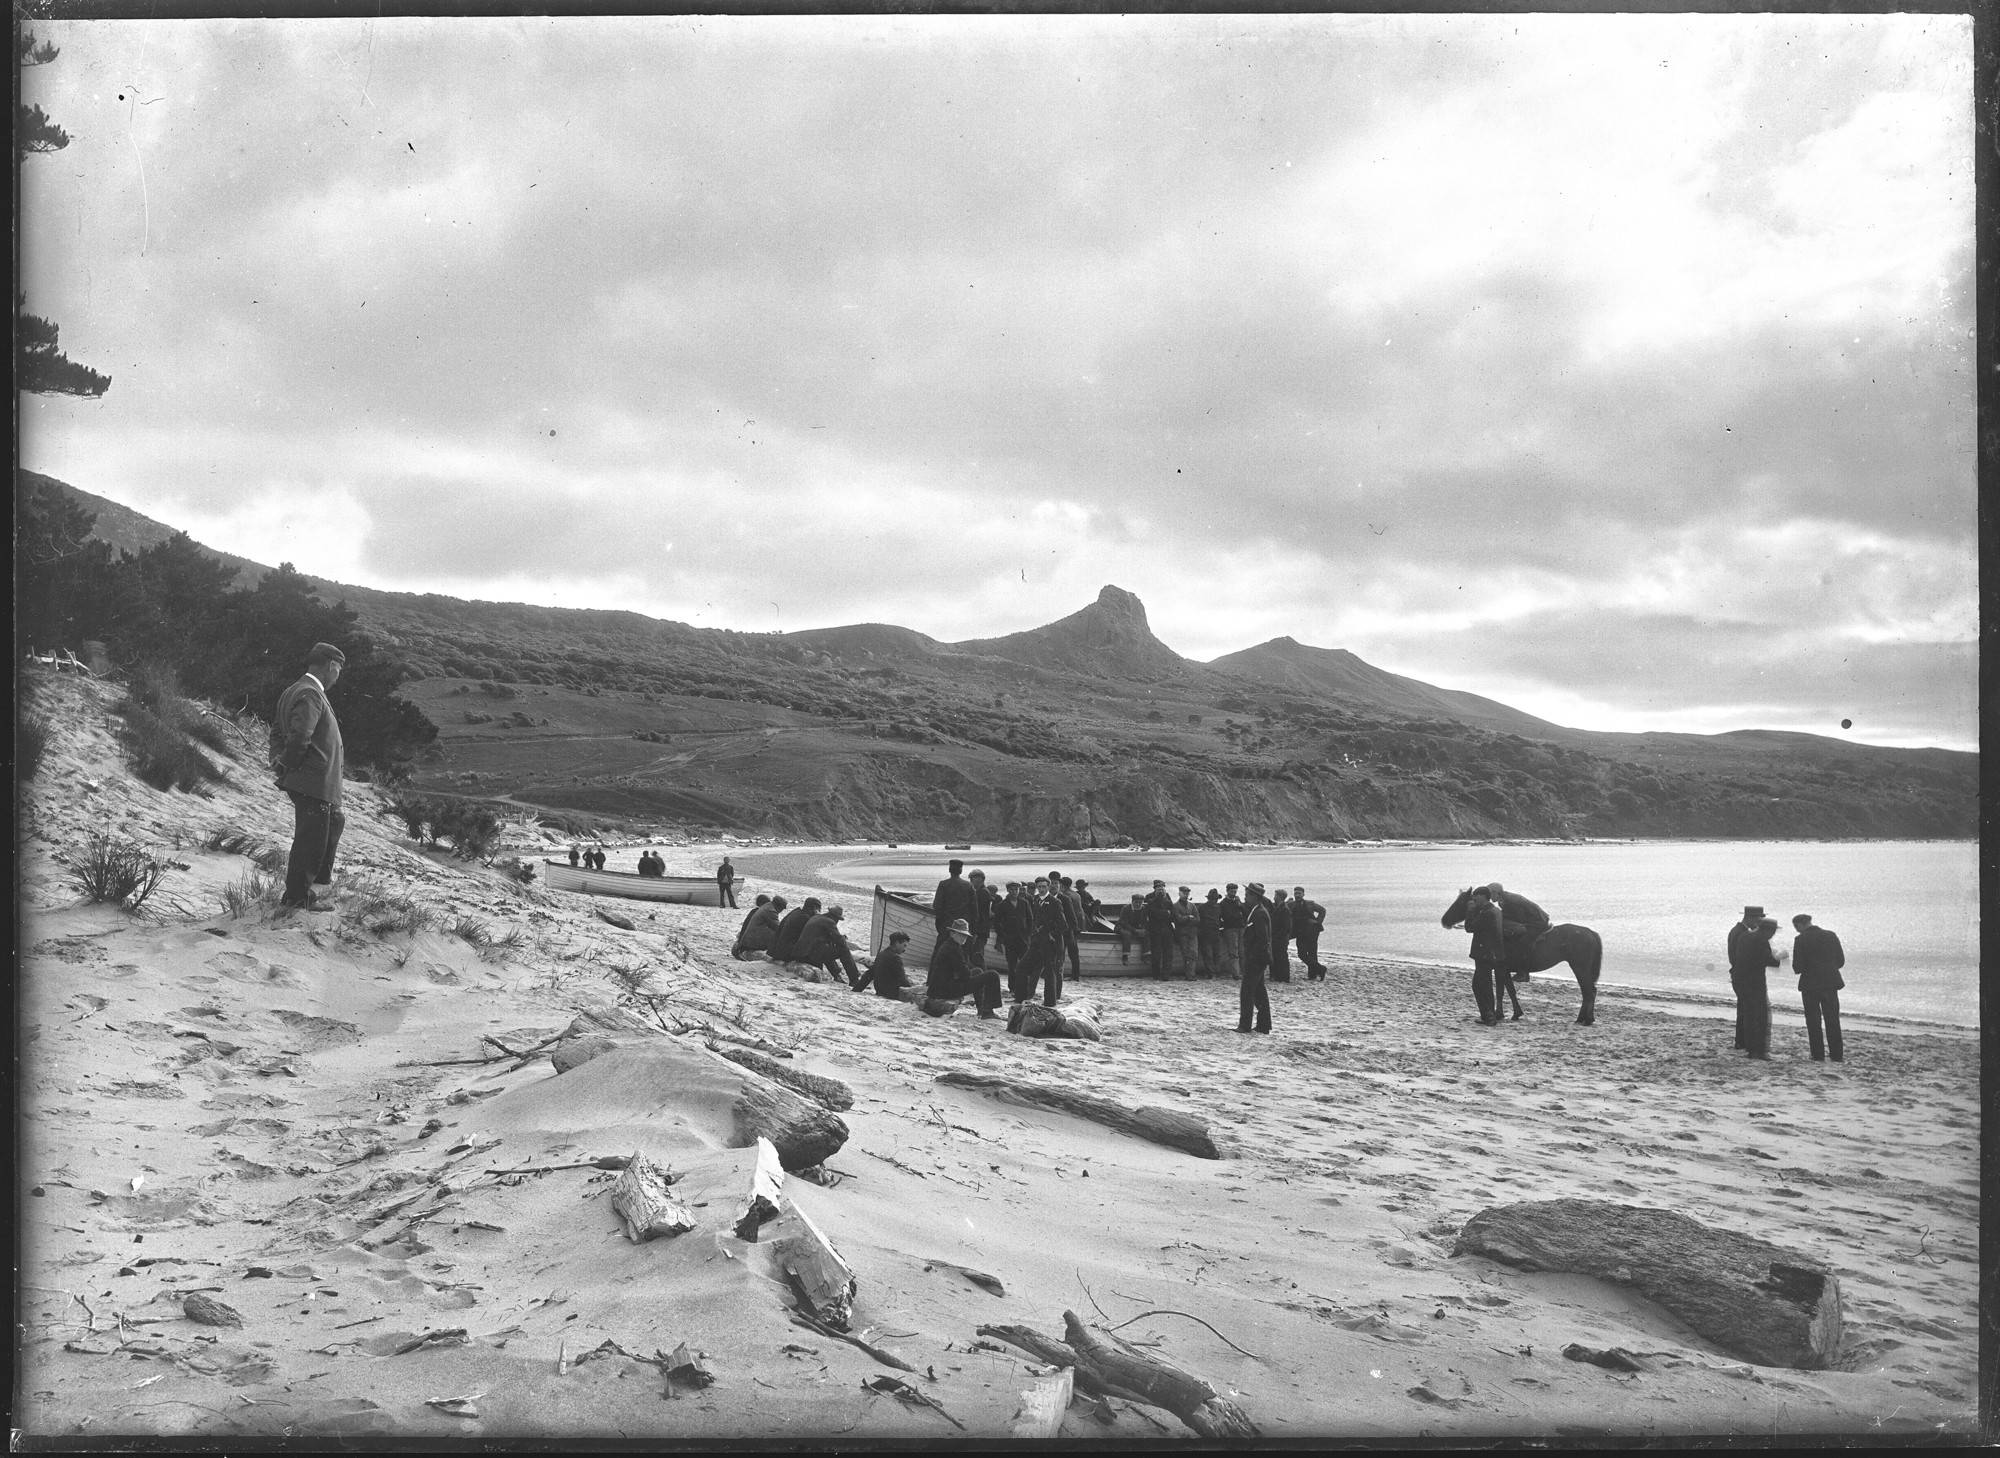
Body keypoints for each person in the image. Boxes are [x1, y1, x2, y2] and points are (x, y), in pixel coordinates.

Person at [272, 642, 347, 911]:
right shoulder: (311, 693)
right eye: (338, 669)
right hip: (313, 780)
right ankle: (297, 897)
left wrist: (279, 761)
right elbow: (300, 736)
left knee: (333, 822)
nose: (338, 675)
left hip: (317, 781)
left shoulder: (294, 690)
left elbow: (276, 733)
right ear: (330, 666)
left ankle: (314, 886)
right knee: (310, 839)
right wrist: (286, 764)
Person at [1727, 904, 1780, 1060]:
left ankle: (1744, 1043)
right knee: (1756, 1014)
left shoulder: (1742, 934)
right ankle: (1751, 1046)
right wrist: (1777, 957)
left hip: (1741, 977)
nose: (1759, 922)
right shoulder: (1743, 933)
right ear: (1750, 917)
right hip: (1749, 979)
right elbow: (1740, 958)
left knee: (1746, 1012)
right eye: (1758, 918)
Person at [1791, 913, 1847, 1062]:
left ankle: (1818, 1054)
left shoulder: (1800, 940)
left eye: (1796, 927)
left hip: (1810, 985)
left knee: (1813, 1021)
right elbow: (1840, 961)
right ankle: (1837, 1055)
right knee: (1833, 1020)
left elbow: (1797, 967)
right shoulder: (1830, 935)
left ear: (1799, 925)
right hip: (1830, 982)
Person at [928, 918, 1003, 1018]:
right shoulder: (953, 949)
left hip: (939, 988)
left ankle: (982, 1009)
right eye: (961, 934)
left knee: (978, 971)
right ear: (952, 933)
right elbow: (965, 974)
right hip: (944, 990)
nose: (964, 938)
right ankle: (988, 1011)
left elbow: (962, 970)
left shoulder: (950, 945)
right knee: (992, 975)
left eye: (965, 935)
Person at [1014, 878, 1068, 1006]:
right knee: (1021, 967)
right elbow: (1034, 920)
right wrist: (1033, 934)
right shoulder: (1036, 900)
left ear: (1048, 887)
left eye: (1044, 887)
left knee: (1050, 972)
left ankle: (1050, 1002)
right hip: (1037, 942)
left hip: (1050, 944)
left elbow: (1063, 925)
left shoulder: (1055, 902)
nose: (1041, 889)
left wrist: (1051, 934)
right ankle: (1020, 998)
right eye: (1039, 887)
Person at [1487, 882, 1551, 979]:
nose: (1489, 898)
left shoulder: (1509, 900)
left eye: (1490, 894)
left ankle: (1523, 973)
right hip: (1531, 920)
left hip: (1538, 922)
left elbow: (1518, 919)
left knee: (1522, 943)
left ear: (1496, 892)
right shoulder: (1503, 899)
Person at [1465, 884, 1506, 1024]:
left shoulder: (1486, 913)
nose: (1475, 899)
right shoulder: (1496, 911)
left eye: (1476, 896)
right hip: (1494, 952)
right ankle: (1490, 1014)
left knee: (1479, 984)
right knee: (1485, 983)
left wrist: (1470, 912)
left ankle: (1488, 1016)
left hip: (1484, 953)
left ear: (1483, 896)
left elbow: (1470, 927)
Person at [795, 905, 860, 986]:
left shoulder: (816, 917)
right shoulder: (829, 922)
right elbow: (840, 942)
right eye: (838, 919)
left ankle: (837, 974)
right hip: (810, 955)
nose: (837, 922)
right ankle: (854, 979)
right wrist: (843, 938)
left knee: (827, 948)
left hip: (801, 953)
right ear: (835, 917)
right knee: (844, 950)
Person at [1237, 883, 1273, 1033]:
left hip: (1256, 959)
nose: (1245, 897)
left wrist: (1252, 958)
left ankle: (1245, 1025)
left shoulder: (1259, 913)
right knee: (1259, 993)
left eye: (1247, 895)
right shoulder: (1256, 911)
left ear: (1255, 897)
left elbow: (1262, 939)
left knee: (1247, 992)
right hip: (1257, 958)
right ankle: (1264, 1025)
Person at [931, 860, 979, 969]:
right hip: (963, 928)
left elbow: (937, 907)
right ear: (961, 871)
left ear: (949, 870)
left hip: (946, 925)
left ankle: (932, 981)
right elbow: (974, 911)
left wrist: (940, 925)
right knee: (963, 956)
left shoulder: (943, 884)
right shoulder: (968, 886)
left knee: (939, 954)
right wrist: (973, 929)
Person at [854, 930, 914, 999]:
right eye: (904, 945)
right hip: (892, 994)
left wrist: (856, 990)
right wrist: (912, 991)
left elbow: (869, 974)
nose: (904, 949)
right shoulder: (896, 958)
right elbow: (903, 980)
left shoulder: (881, 955)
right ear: (897, 943)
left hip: (880, 992)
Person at [769, 896, 821, 964]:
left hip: (778, 951)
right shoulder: (804, 918)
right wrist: (817, 917)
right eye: (819, 909)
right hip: (785, 954)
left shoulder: (796, 912)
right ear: (814, 908)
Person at [994, 881, 1030, 977]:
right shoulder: (1002, 905)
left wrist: (1028, 935)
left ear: (1019, 890)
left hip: (1023, 939)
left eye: (1016, 890)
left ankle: (1024, 987)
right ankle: (1012, 988)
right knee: (1012, 965)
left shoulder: (1024, 903)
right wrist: (1003, 936)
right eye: (1012, 890)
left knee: (1025, 965)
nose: (1014, 892)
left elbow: (1030, 920)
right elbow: (997, 923)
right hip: (1009, 940)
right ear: (1008, 890)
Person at [1291, 887, 1327, 981]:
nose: (1297, 895)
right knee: (1301, 954)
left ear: (1303, 894)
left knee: (1312, 953)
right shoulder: (1291, 904)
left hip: (1312, 932)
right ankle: (1321, 969)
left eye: (1299, 893)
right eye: (1295, 893)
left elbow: (1322, 910)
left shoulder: (1310, 904)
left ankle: (1312, 975)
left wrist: (1317, 923)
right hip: (1300, 932)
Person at [1141, 880, 1176, 978]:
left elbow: (1173, 914)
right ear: (1155, 888)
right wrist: (1165, 913)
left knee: (1168, 953)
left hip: (1167, 929)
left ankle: (1166, 975)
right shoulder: (1150, 898)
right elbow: (1150, 912)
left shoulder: (1167, 898)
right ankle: (1156, 974)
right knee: (1156, 953)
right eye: (1158, 888)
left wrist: (1166, 913)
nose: (1160, 890)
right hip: (1155, 929)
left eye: (1162, 888)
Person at [1056, 877, 1086, 980]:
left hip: (1067, 928)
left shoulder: (1065, 896)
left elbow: (1066, 913)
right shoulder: (1076, 894)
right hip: (1076, 927)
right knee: (1074, 953)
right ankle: (1075, 975)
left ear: (1062, 886)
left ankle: (1063, 974)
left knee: (1062, 951)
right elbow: (1080, 912)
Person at [966, 869, 995, 967]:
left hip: (979, 931)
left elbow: (979, 914)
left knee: (977, 955)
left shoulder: (982, 893)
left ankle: (982, 975)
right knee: (976, 954)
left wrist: (975, 932)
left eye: (972, 879)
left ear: (980, 880)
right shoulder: (982, 891)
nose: (971, 882)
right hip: (980, 930)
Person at [1217, 884, 1247, 979]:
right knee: (1233, 952)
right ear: (1227, 891)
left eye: (1235, 891)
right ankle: (1236, 973)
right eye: (1232, 892)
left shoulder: (1238, 902)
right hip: (1230, 929)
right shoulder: (1223, 903)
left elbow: (1246, 913)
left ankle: (1244, 972)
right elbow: (1225, 917)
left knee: (1242, 951)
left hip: (1240, 927)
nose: (1234, 894)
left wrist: (1240, 905)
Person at [1172, 886, 1200, 978]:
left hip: (1192, 933)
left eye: (1187, 893)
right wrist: (1189, 917)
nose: (1186, 895)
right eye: (1184, 893)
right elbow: (1178, 919)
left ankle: (1191, 973)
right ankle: (1189, 974)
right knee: (1186, 954)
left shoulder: (1192, 905)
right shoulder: (1175, 906)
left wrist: (1187, 919)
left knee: (1194, 953)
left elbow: (1197, 919)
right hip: (1182, 934)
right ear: (1179, 893)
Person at [1196, 889, 1223, 978]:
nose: (1214, 900)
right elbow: (1198, 921)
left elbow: (1221, 919)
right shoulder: (1202, 908)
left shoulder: (1218, 907)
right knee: (1208, 954)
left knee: (1216, 954)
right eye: (1213, 899)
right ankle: (1211, 973)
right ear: (1209, 899)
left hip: (1215, 932)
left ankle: (1216, 972)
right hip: (1205, 933)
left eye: (1215, 899)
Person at [1115, 894, 1147, 966]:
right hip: (1122, 927)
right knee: (1127, 934)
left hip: (1135, 927)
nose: (1138, 904)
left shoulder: (1144, 909)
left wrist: (1143, 929)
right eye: (1136, 902)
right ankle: (1125, 956)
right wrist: (1135, 930)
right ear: (1132, 902)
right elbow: (1124, 923)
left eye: (1140, 902)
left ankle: (1145, 955)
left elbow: (1145, 921)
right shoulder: (1126, 908)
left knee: (1146, 933)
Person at [1269, 888, 1293, 983]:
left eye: (1275, 896)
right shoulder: (1279, 907)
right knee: (1277, 956)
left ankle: (1284, 976)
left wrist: (1278, 935)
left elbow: (1286, 926)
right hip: (1277, 936)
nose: (1274, 897)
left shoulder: (1284, 909)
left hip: (1280, 938)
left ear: (1279, 897)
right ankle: (1278, 975)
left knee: (1281, 957)